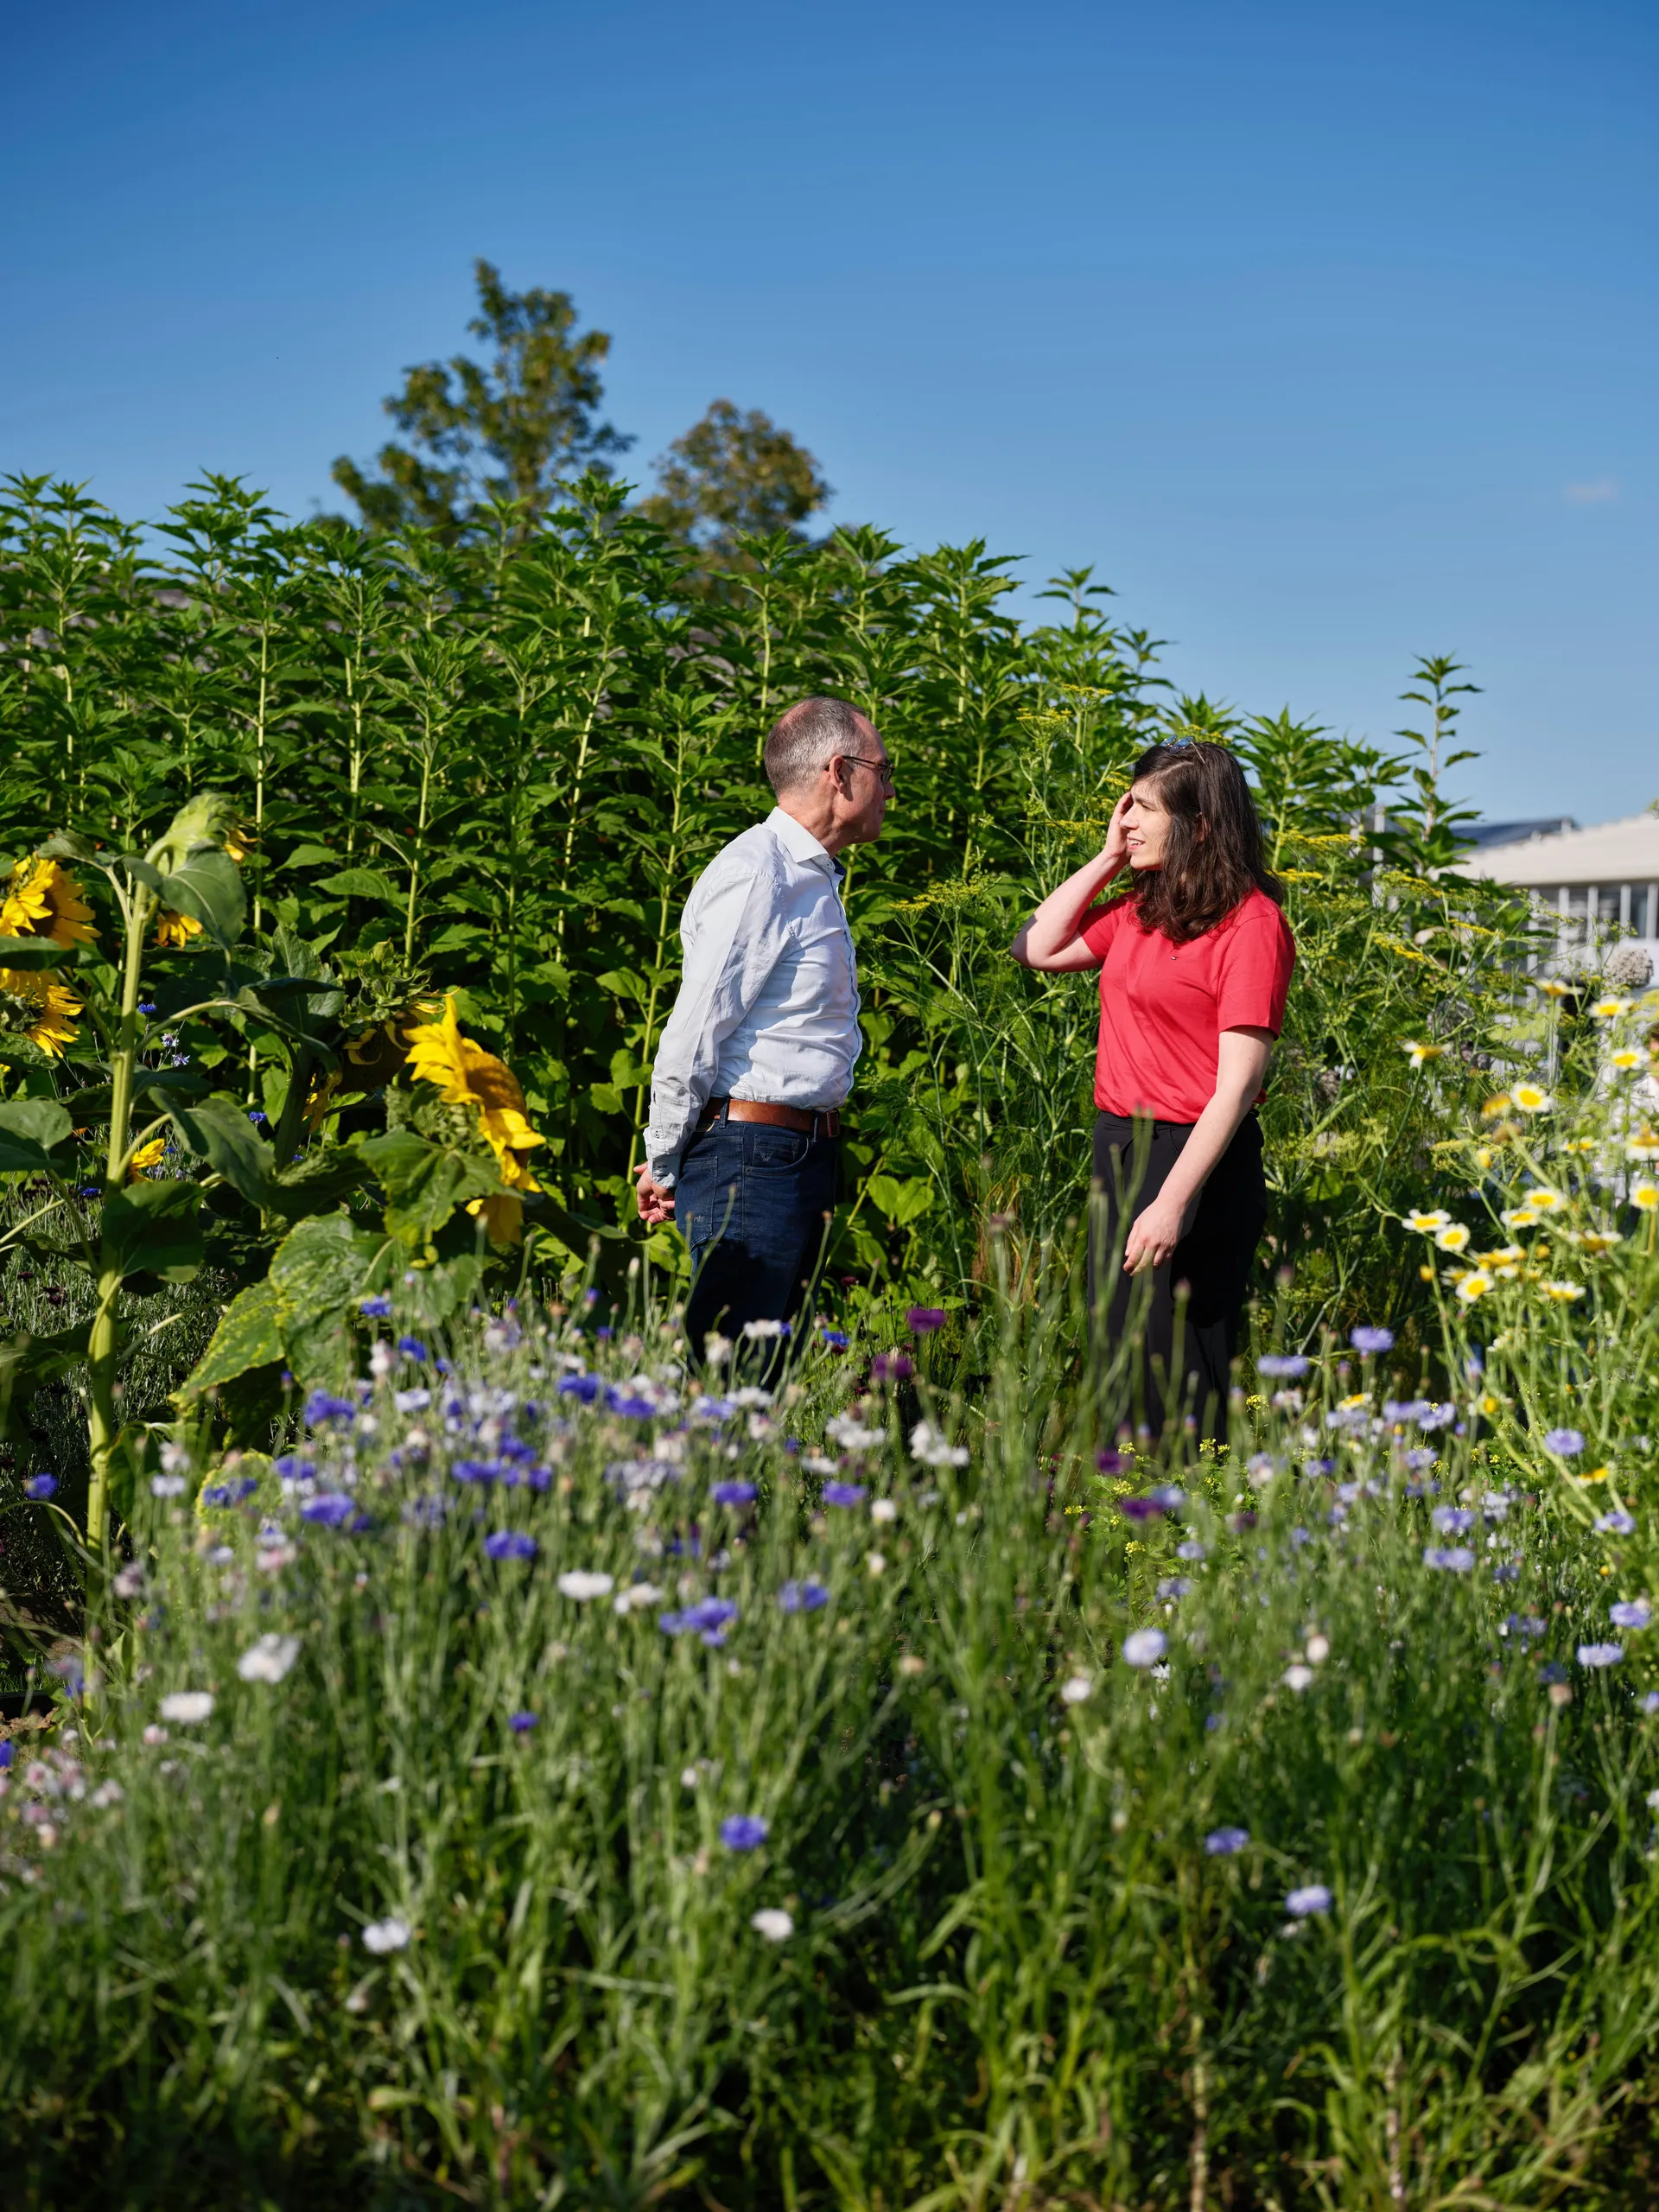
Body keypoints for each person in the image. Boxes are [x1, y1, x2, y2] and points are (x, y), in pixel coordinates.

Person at [1011, 738, 1294, 1434]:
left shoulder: (1252, 925)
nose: (1126, 821)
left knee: (1180, 1370)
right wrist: (1108, 858)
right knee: (1120, 1354)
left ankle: (1185, 1526)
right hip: (1121, 1147)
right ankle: (1125, 1521)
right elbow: (1036, 948)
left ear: (1199, 825)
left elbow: (1235, 1089)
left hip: (1194, 1162)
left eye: (1141, 809)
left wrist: (1171, 1203)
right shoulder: (1146, 908)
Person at [636, 696, 893, 1356]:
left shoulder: (809, 879)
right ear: (840, 773)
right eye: (883, 772)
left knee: (762, 1381)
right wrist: (664, 1159)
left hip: (794, 1157)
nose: (890, 790)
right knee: (734, 1378)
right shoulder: (761, 875)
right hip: (749, 1159)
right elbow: (694, 1029)